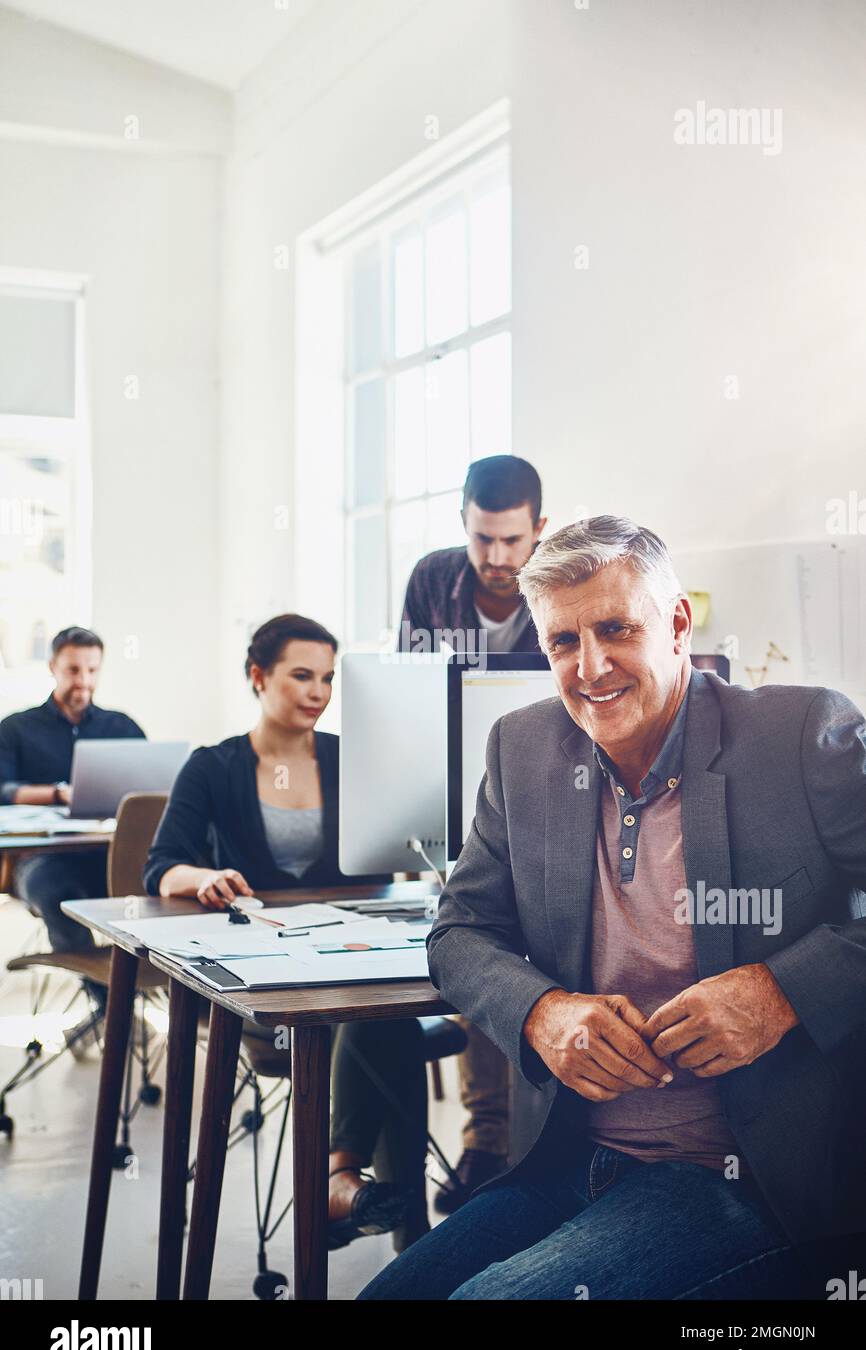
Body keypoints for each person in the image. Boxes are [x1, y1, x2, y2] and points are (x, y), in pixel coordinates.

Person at [360, 514, 866, 1299]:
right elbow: (459, 930)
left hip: (745, 1178)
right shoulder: (523, 750)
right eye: (563, 642)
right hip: (569, 1157)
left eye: (615, 629)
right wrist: (541, 1012)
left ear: (676, 625)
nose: (590, 667)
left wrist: (782, 992)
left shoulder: (799, 734)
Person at [143, 613, 431, 1251]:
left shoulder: (350, 758)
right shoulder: (213, 767)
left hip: (348, 953)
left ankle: (343, 1184)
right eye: (301, 675)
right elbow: (161, 866)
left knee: (383, 1011)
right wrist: (202, 877)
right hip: (265, 984)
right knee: (385, 1023)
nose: (318, 693)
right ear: (257, 676)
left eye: (328, 678)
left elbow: (399, 851)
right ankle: (398, 1225)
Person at [397, 455, 548, 1212]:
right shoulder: (432, 581)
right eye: (482, 538)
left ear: (538, 532)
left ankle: (538, 1145)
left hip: (553, 791)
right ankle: (486, 1143)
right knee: (473, 942)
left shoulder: (562, 579)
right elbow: (411, 702)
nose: (496, 558)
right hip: (457, 792)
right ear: (464, 522)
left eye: (511, 540)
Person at [1, 627, 145, 1036]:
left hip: (108, 854)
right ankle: (109, 1002)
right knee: (54, 891)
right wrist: (57, 794)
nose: (83, 680)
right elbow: (3, 790)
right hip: (41, 861)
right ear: (53, 668)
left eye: (92, 670)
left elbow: (150, 789)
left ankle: (147, 988)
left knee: (151, 884)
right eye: (73, 670)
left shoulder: (121, 727)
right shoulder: (16, 729)